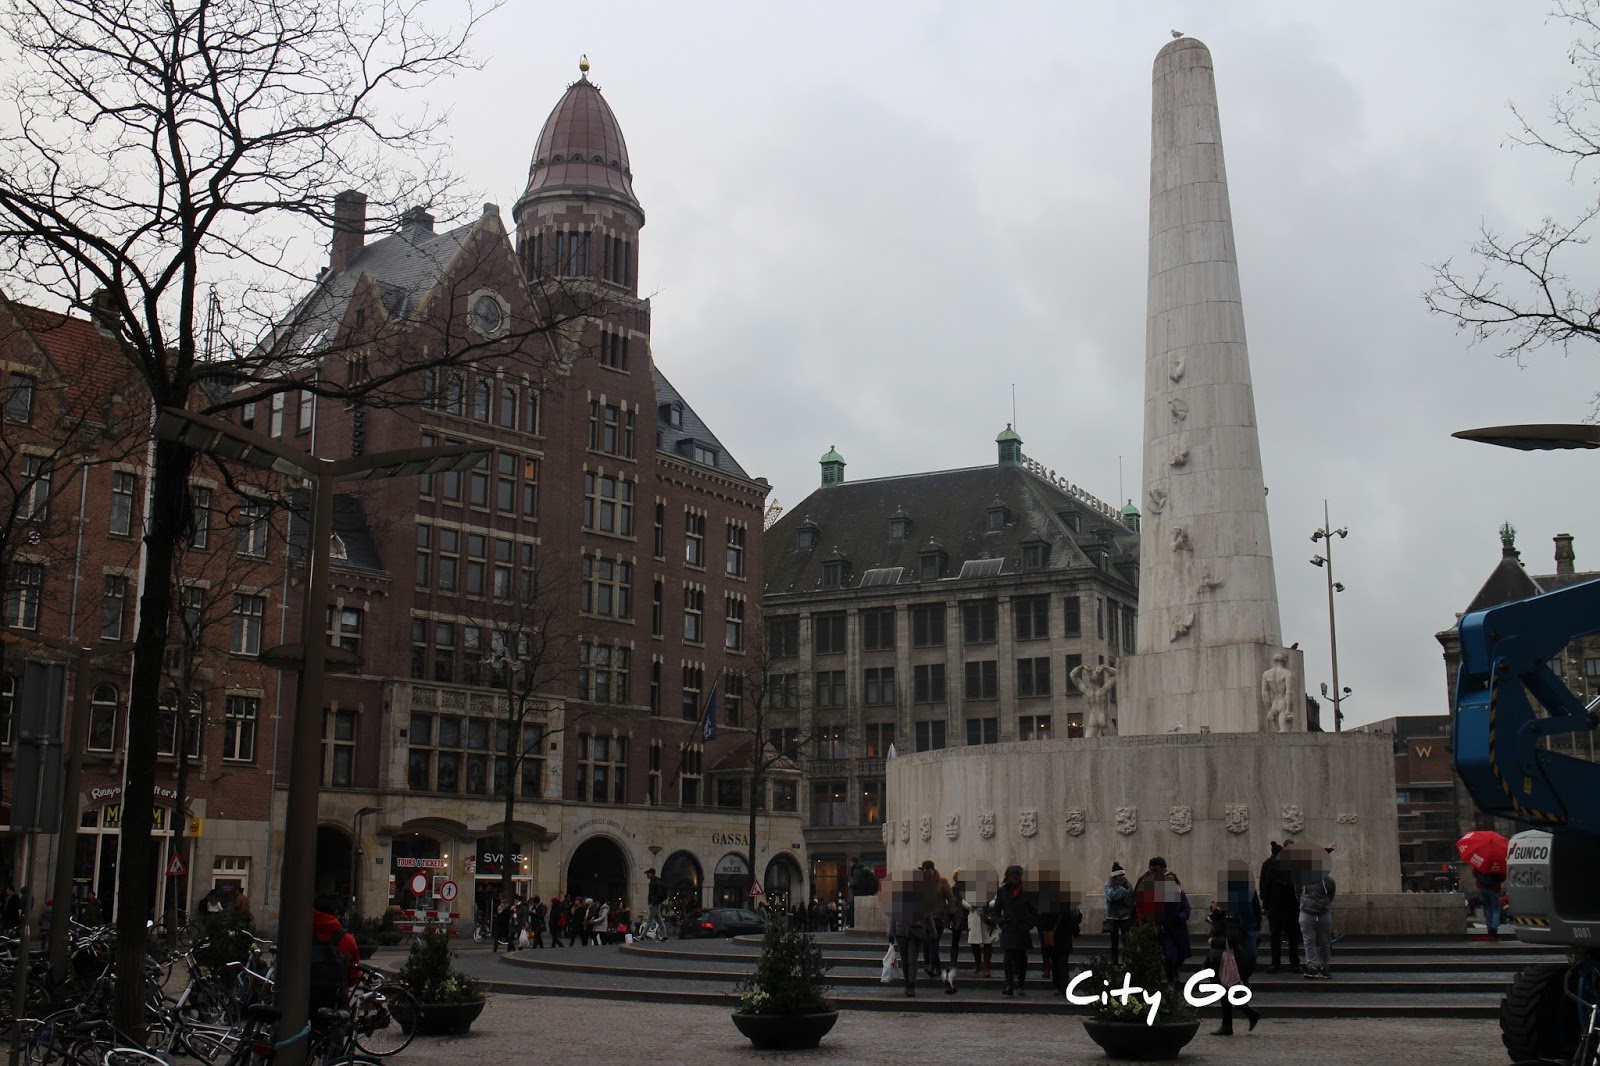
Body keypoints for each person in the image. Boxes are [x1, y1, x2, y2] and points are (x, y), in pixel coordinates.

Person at [1206, 885, 1262, 1036]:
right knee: (1227, 992)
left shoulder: (1230, 916)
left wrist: (1213, 941)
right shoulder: (1220, 915)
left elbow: (1232, 938)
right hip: (1221, 959)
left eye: (1216, 900)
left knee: (1227, 992)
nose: (1213, 902)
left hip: (1229, 959)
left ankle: (1231, 1023)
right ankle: (1243, 1017)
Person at [1135, 857, 1191, 986]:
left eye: (1158, 871)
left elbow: (1185, 908)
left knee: (1181, 955)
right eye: (1152, 871)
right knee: (1169, 955)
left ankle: (1173, 973)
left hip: (1177, 928)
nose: (1155, 874)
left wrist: (1180, 917)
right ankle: (1170, 979)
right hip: (1161, 929)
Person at [990, 865, 1038, 996]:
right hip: (1008, 928)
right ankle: (1009, 984)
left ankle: (1021, 985)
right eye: (1013, 877)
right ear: (1009, 877)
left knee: (1022, 959)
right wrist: (1000, 922)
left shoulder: (1027, 892)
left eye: (1017, 877)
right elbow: (995, 911)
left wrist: (1029, 924)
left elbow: (1035, 911)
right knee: (1008, 958)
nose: (1015, 879)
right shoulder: (1003, 891)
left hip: (1022, 929)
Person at [887, 869, 934, 998]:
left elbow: (928, 915)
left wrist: (932, 931)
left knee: (912, 960)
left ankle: (911, 985)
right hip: (901, 931)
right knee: (905, 960)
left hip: (915, 931)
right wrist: (891, 932)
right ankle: (907, 983)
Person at [310, 894, 360, 1012]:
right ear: (336, 912)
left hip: (303, 1000)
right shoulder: (347, 939)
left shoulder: (301, 933)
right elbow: (353, 976)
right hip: (335, 1002)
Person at [1259, 841, 1300, 972]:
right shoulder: (1288, 864)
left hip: (1276, 906)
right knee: (1291, 936)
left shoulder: (1269, 864)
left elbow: (1263, 885)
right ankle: (1294, 963)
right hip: (1288, 905)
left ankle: (1276, 963)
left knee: (1276, 936)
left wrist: (1265, 904)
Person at [1298, 848, 1336, 979]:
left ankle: (1324, 966)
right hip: (1307, 912)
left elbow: (1331, 894)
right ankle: (1312, 966)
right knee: (1309, 941)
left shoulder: (1329, 880)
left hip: (1322, 912)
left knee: (1325, 941)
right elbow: (1297, 893)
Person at [1045, 891, 1084, 996]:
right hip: (1059, 935)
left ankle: (1061, 985)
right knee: (1059, 961)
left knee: (1059, 961)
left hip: (1060, 935)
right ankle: (1061, 985)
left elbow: (1077, 917)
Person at [1104, 863, 1134, 966]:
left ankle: (1127, 961)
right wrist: (1123, 891)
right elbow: (1112, 896)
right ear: (1115, 876)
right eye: (1120, 875)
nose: (1122, 877)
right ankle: (1114, 962)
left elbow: (1131, 896)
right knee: (1114, 941)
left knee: (1127, 941)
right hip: (1113, 916)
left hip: (1125, 915)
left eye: (1123, 875)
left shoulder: (1128, 884)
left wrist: (1121, 891)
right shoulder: (1109, 884)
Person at [1474, 867, 1504, 942]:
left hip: (1482, 888)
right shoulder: (1498, 863)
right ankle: (1494, 930)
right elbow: (1503, 876)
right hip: (1494, 888)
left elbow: (1474, 872)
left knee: (1488, 908)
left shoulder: (1482, 861)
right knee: (1496, 908)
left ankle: (1489, 929)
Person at [646, 869, 667, 938]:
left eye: (648, 873)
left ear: (652, 874)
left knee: (649, 920)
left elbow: (659, 894)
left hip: (655, 904)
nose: (647, 875)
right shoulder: (653, 882)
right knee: (660, 920)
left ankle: (642, 936)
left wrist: (653, 903)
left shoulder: (657, 882)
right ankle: (664, 936)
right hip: (655, 904)